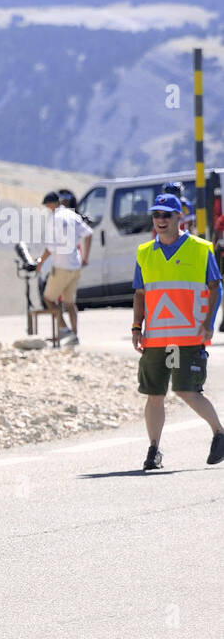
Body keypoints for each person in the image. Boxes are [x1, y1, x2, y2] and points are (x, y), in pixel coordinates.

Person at [131, 192, 224, 469]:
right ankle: (153, 450)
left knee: (186, 390)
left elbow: (215, 288)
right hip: (157, 337)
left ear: (178, 218)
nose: (160, 220)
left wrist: (209, 324)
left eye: (166, 215)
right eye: (156, 215)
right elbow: (139, 293)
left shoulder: (199, 249)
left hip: (189, 335)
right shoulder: (144, 252)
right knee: (155, 393)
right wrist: (137, 327)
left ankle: (219, 433)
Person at [38, 190, 92, 343]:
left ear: (50, 204)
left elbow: (50, 247)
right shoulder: (72, 215)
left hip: (62, 265)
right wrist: (85, 257)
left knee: (48, 298)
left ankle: (63, 329)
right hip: (75, 264)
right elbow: (88, 234)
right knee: (69, 302)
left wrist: (40, 262)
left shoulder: (54, 219)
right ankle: (74, 335)